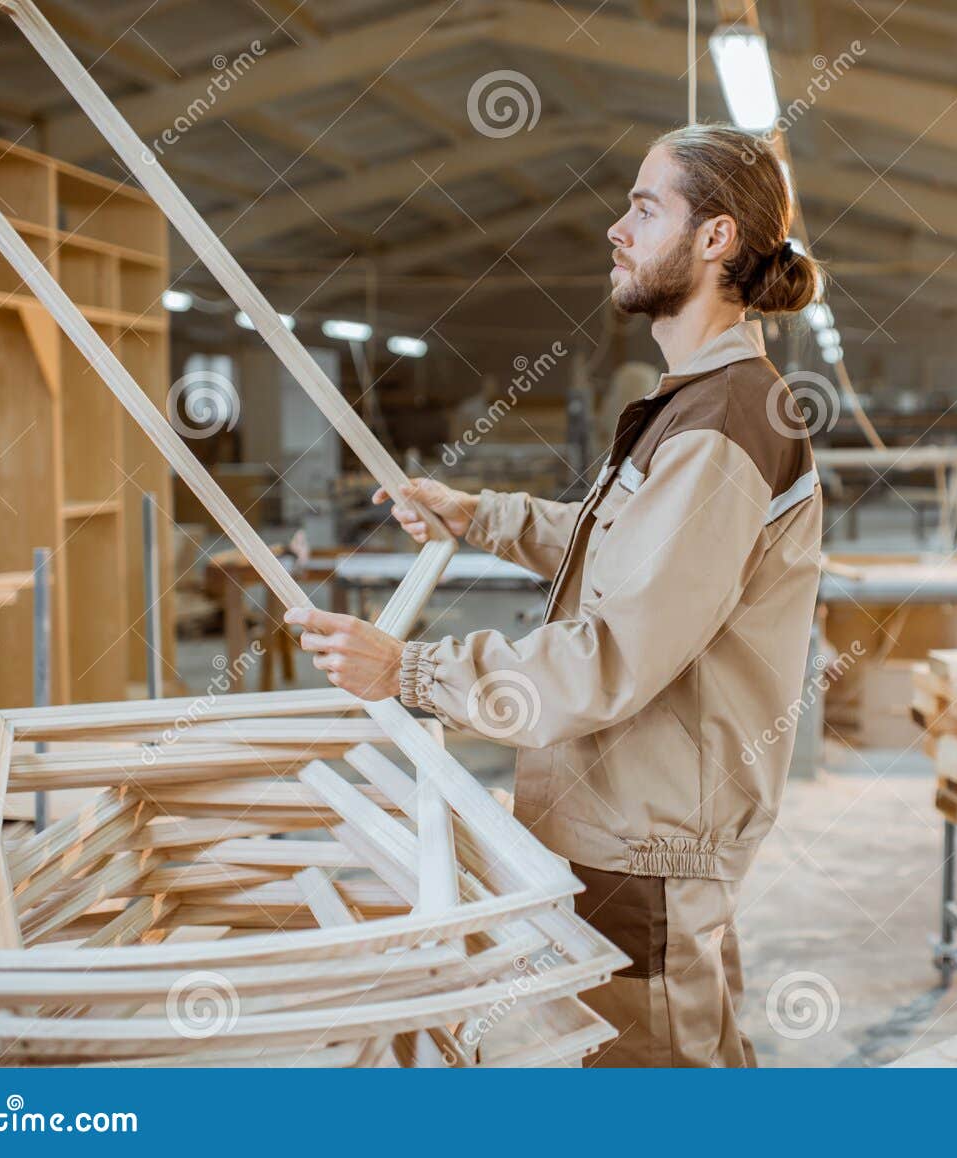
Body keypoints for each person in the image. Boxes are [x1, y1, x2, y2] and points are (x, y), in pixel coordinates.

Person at [288, 123, 824, 1067]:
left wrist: (408, 669)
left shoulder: (727, 419)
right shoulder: (698, 401)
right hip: (632, 815)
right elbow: (623, 550)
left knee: (650, 1077)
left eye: (644, 207)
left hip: (646, 835)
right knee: (690, 1052)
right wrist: (479, 515)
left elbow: (615, 653)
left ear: (715, 240)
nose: (616, 229)